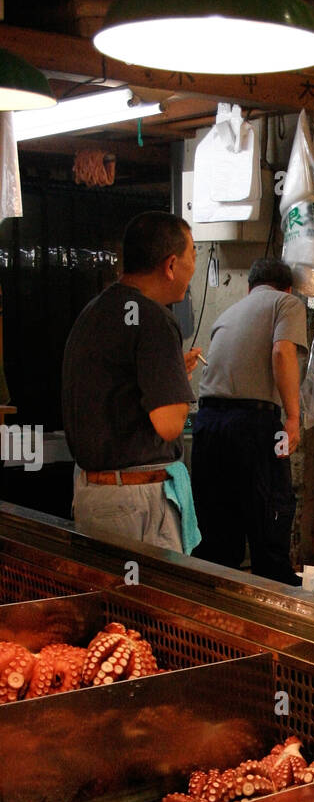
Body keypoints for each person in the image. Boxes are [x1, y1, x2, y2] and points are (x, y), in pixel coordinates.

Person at [62, 211, 201, 552]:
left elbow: (117, 391)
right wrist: (176, 388)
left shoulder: (94, 311)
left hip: (94, 495)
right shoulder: (154, 319)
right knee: (147, 604)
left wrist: (169, 374)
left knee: (106, 604)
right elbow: (169, 424)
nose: (193, 269)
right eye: (193, 256)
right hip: (135, 505)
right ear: (170, 265)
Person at [190, 258, 307, 585]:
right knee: (271, 516)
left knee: (218, 533)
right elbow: (282, 353)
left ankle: (215, 616)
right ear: (287, 287)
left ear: (249, 287)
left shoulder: (227, 314)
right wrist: (293, 418)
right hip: (253, 424)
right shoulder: (287, 303)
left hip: (208, 424)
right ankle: (275, 615)